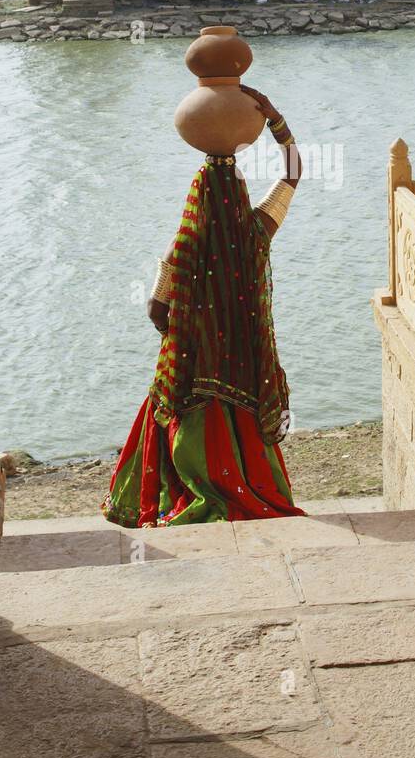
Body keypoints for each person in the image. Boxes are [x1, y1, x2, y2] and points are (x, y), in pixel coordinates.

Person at [101, 86, 305, 527]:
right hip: (244, 365)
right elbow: (291, 176)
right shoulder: (258, 229)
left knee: (169, 406)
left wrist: (182, 333)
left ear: (195, 202)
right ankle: (246, 489)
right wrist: (276, 119)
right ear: (241, 196)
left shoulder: (184, 247)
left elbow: (157, 311)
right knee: (247, 439)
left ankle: (183, 489)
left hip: (191, 369)